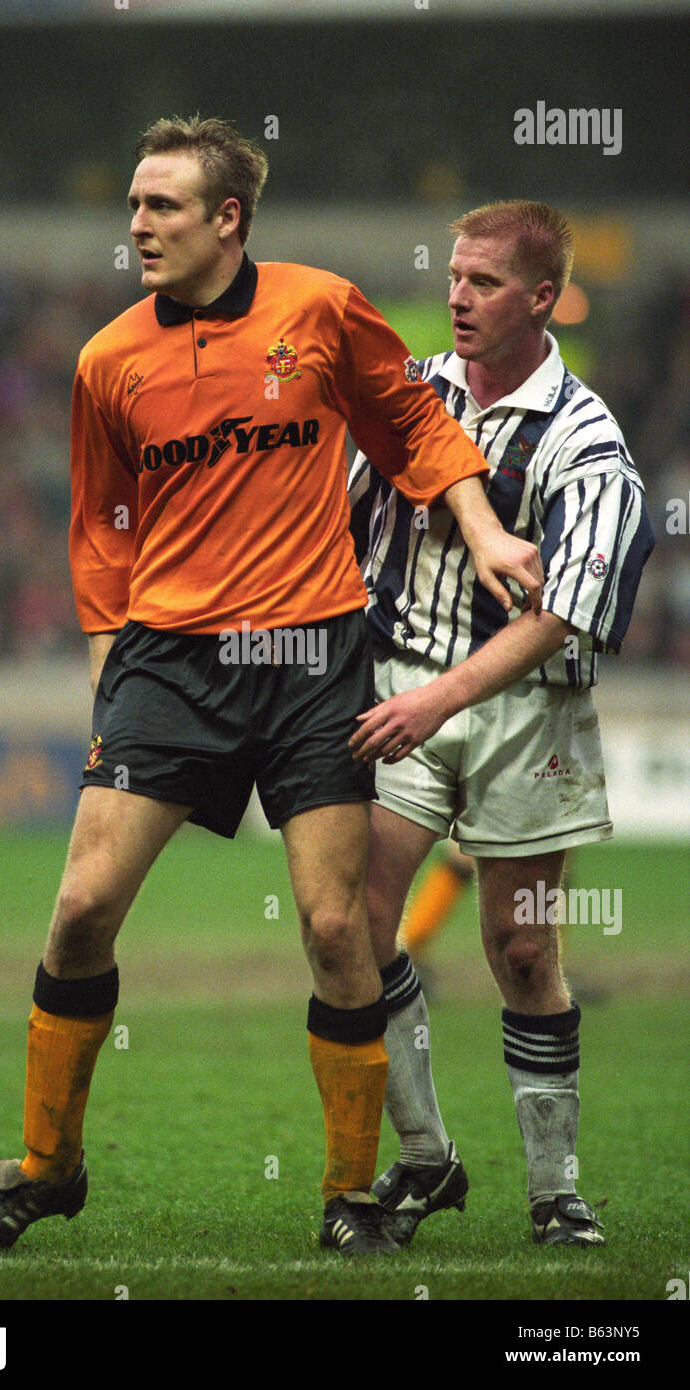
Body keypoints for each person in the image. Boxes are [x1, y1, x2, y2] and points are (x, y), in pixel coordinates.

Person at [0, 121, 543, 1260]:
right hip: (167, 663)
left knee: (334, 925)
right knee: (80, 911)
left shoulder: (320, 307)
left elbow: (410, 422)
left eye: (162, 206)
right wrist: (108, 671)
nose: (138, 225)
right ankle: (47, 1168)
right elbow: (101, 526)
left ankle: (348, 1195)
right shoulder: (107, 359)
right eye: (133, 205)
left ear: (228, 218)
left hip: (312, 658)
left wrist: (480, 529)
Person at [348, 200, 654, 1247]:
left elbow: (564, 611)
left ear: (540, 298)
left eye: (482, 282)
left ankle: (553, 1189)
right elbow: (336, 512)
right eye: (453, 276)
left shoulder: (586, 439)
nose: (457, 296)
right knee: (354, 923)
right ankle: (424, 1156)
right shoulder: (410, 396)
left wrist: (436, 699)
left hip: (528, 711)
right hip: (398, 683)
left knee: (521, 949)